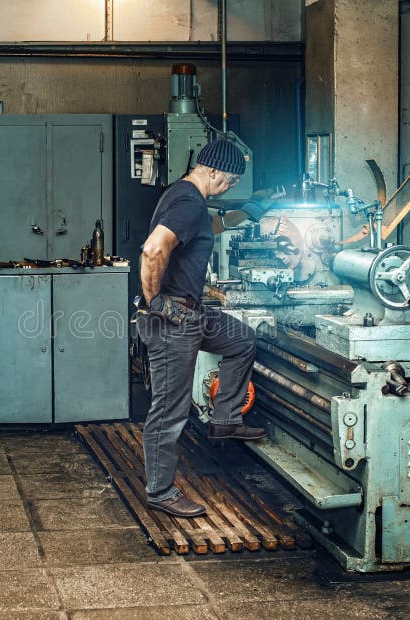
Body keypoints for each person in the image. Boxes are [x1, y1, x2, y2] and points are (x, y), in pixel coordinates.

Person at [136, 139, 267, 518]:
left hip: (192, 315)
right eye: (228, 182)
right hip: (172, 319)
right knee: (170, 411)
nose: (227, 189)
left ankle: (225, 418)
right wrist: (155, 302)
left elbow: (200, 229)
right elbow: (152, 250)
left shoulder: (182, 195)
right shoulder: (189, 201)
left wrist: (242, 214)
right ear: (211, 171)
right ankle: (160, 492)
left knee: (242, 339)